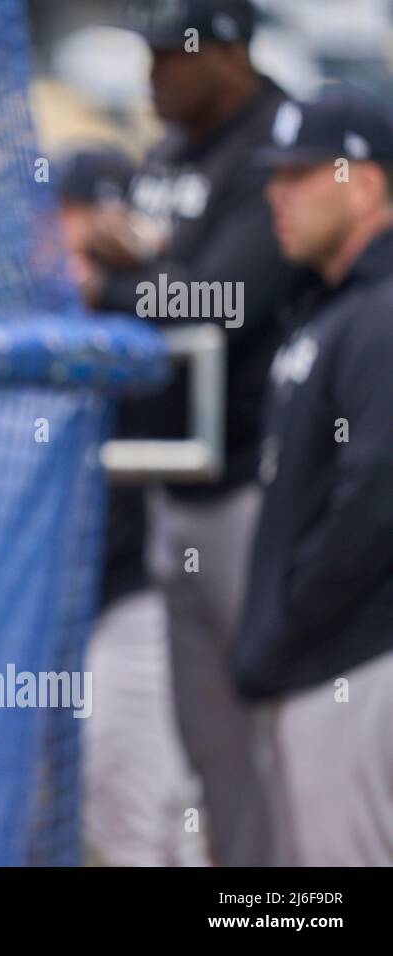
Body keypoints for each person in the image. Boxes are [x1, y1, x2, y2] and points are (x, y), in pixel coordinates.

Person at [86, 0, 295, 865]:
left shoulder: (282, 144)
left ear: (232, 50)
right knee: (209, 747)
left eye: (174, 53)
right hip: (175, 488)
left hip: (260, 486)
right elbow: (167, 287)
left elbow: (222, 304)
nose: (154, 72)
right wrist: (146, 276)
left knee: (282, 739)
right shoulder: (169, 153)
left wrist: (130, 280)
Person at [237, 86, 393, 865]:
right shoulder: (332, 306)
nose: (276, 194)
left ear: (364, 184)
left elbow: (376, 495)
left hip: (354, 666)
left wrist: (293, 621)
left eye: (299, 175)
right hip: (325, 665)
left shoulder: (382, 312)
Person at [59, 147, 205, 866]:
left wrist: (121, 279)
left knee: (136, 818)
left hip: (136, 593)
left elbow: (204, 308)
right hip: (54, 606)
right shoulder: (23, 305)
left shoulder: (150, 300)